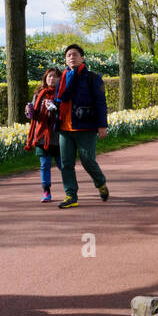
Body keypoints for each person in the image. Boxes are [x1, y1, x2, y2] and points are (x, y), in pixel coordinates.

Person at [55, 44, 110, 209]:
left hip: (85, 126)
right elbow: (58, 100)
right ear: (65, 59)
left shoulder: (92, 77)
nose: (72, 57)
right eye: (69, 55)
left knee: (87, 160)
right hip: (65, 128)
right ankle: (71, 195)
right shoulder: (62, 78)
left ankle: (100, 183)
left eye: (75, 54)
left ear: (82, 58)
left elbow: (101, 102)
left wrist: (102, 125)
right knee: (66, 163)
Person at [25, 66, 62, 202]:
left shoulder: (62, 95)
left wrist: (55, 107)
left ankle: (70, 188)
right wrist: (29, 111)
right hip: (41, 137)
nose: (52, 79)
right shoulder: (38, 95)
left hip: (58, 136)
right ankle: (46, 191)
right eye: (49, 76)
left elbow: (65, 113)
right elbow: (33, 115)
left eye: (55, 76)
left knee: (62, 165)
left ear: (59, 79)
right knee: (44, 165)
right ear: (45, 79)